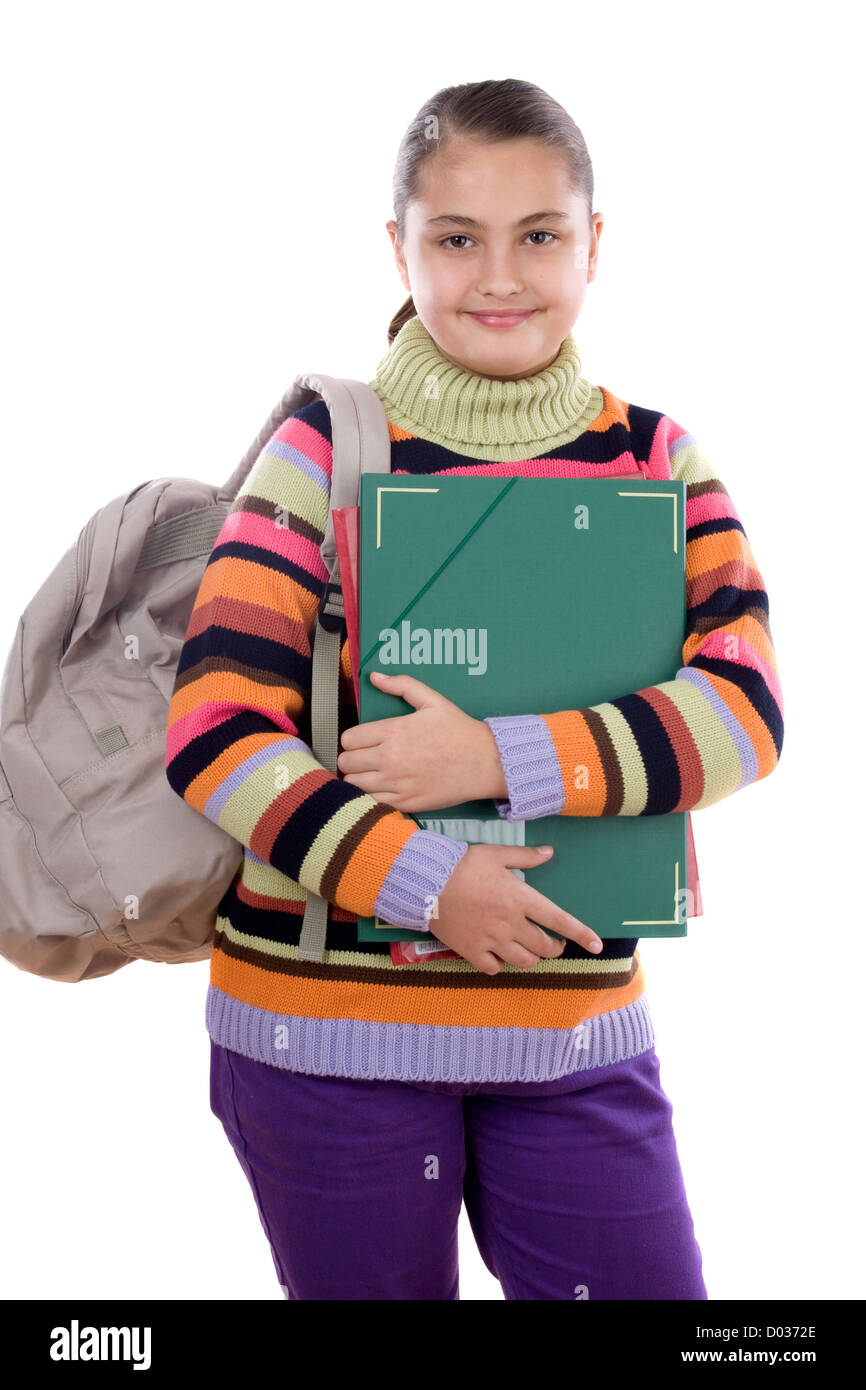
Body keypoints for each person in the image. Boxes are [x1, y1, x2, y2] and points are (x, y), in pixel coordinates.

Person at [164, 77, 784, 1300]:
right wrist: (425, 880)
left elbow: (747, 708)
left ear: (593, 246)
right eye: (455, 238)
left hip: (569, 1027)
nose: (499, 276)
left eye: (538, 235)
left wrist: (504, 757)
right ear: (399, 248)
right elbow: (217, 731)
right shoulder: (322, 451)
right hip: (320, 1036)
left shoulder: (656, 459)